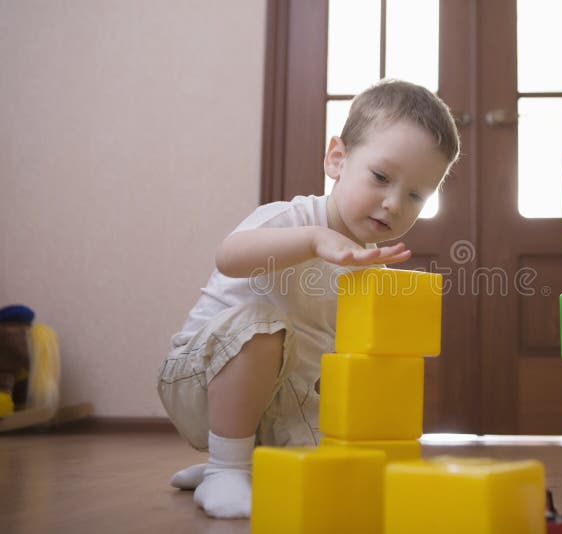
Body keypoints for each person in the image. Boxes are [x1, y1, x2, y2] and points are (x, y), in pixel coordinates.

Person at [157, 79, 461, 518]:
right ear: (337, 159)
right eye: (380, 177)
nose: (394, 204)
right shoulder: (293, 220)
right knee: (263, 326)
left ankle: (241, 462)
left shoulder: (369, 266)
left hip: (280, 398)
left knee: (335, 458)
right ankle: (226, 467)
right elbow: (228, 256)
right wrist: (314, 241)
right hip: (195, 380)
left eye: (416, 195)